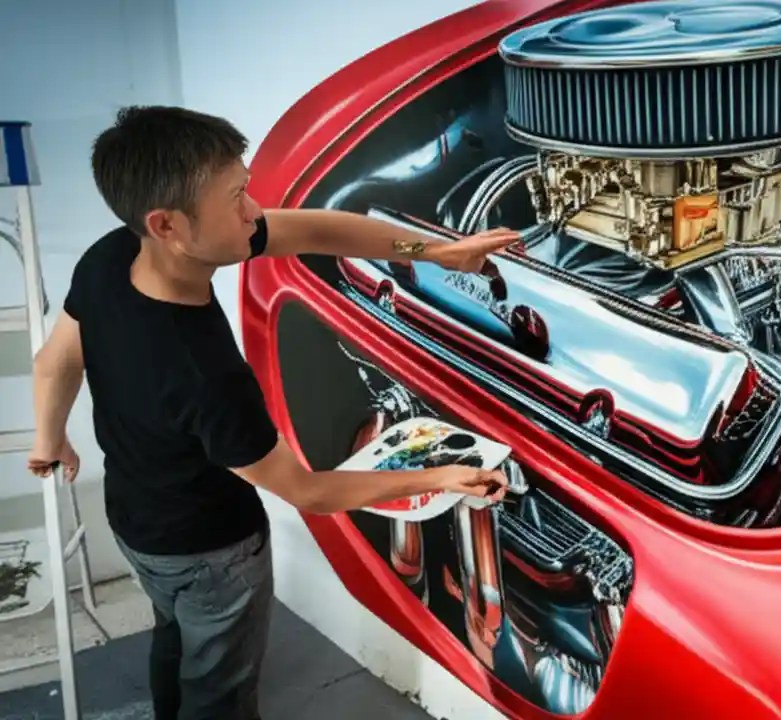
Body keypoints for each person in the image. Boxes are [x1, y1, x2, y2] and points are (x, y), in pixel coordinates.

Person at [25, 105, 516, 720]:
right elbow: (308, 490)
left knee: (173, 642)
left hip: (134, 522)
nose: (254, 210)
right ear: (168, 224)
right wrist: (438, 477)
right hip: (213, 553)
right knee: (220, 693)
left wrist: (440, 252)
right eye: (236, 197)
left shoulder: (112, 255)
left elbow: (319, 230)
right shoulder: (207, 376)